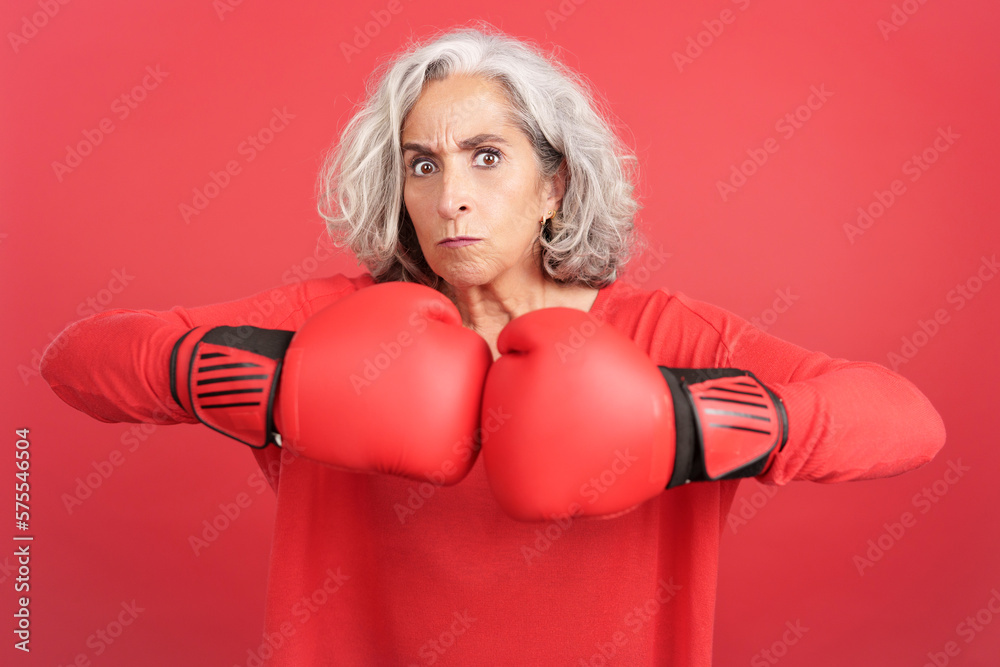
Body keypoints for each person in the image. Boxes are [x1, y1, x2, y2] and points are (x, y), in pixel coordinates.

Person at [40, 24, 946, 666]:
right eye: (421, 165)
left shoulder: (663, 336)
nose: (450, 198)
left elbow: (909, 420)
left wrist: (685, 423)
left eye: (486, 156)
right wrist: (265, 387)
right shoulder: (331, 325)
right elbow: (77, 360)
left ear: (554, 184)